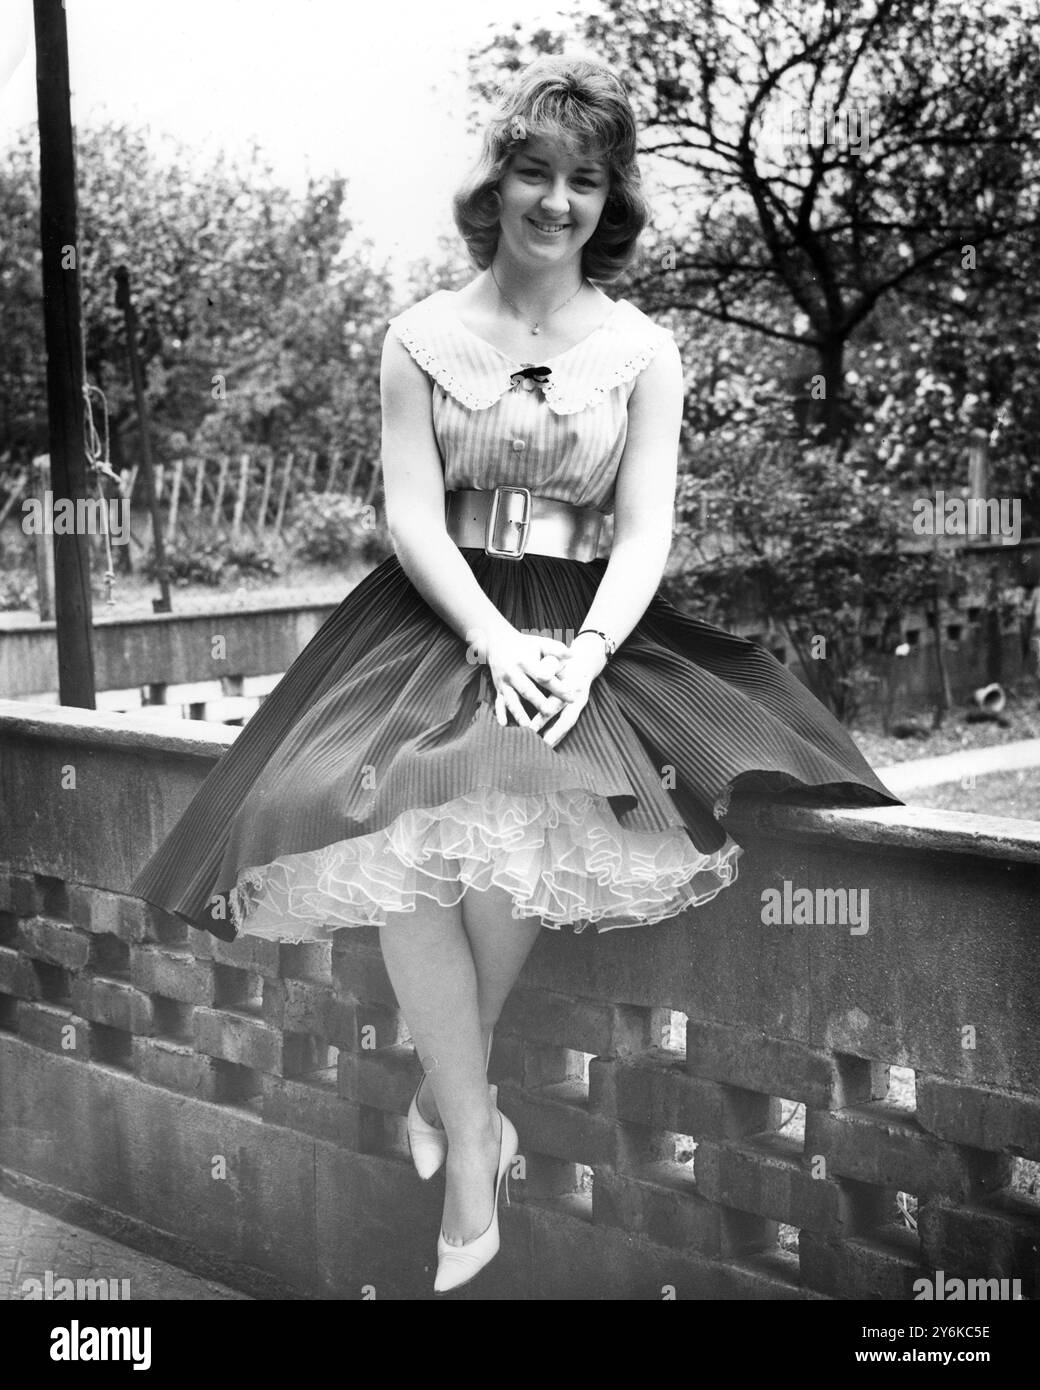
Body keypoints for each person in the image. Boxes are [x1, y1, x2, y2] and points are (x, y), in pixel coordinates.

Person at [128, 54, 903, 1295]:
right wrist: (491, 639)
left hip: (584, 620)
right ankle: (475, 1139)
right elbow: (413, 517)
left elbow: (644, 527)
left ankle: (460, 1107)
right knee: (385, 819)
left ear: (610, 201)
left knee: (531, 815)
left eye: (583, 181)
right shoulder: (420, 336)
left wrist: (583, 652)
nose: (555, 201)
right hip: (439, 615)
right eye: (533, 173)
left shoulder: (642, 349)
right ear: (494, 186)